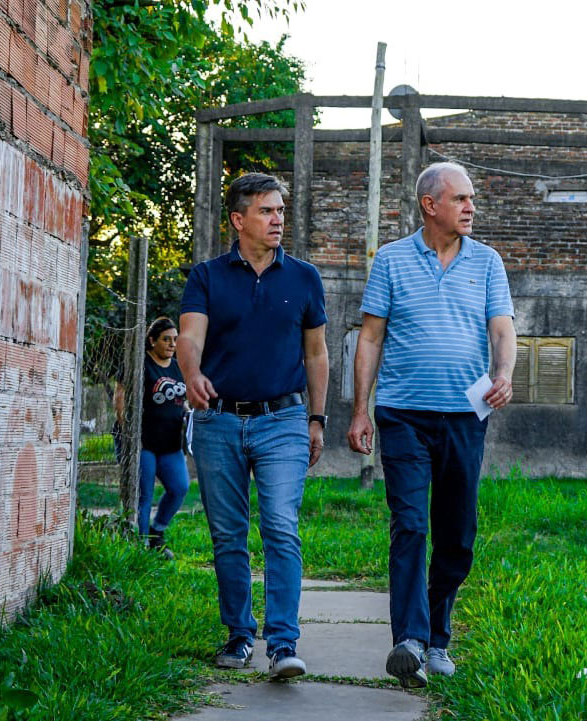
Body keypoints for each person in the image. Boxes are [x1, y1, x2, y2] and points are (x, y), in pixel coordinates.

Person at [346, 162, 517, 688]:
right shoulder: (391, 260)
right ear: (430, 204)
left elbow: (502, 329)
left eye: (471, 199)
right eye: (461, 198)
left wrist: (504, 373)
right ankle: (411, 641)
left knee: (457, 535)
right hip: (403, 415)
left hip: (466, 415)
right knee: (411, 525)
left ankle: (437, 637)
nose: (471, 207)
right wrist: (360, 409)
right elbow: (370, 337)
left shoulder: (487, 262)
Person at [177, 172, 329, 680]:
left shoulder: (304, 277)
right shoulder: (207, 277)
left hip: (283, 419)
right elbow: (189, 337)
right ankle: (240, 635)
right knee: (228, 534)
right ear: (238, 220)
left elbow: (316, 352)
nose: (278, 219)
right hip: (218, 420)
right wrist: (192, 375)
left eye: (280, 210)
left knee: (281, 526)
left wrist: (316, 418)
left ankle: (283, 644)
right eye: (266, 211)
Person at [113, 317, 190, 558]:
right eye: (166, 339)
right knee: (143, 494)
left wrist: (187, 413)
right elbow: (120, 393)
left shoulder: (177, 366)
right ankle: (141, 547)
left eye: (175, 339)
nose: (172, 344)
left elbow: (180, 398)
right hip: (142, 442)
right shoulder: (140, 363)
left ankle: (157, 532)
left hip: (170, 442)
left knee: (179, 487)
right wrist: (127, 431)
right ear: (152, 340)